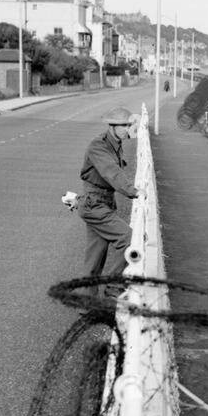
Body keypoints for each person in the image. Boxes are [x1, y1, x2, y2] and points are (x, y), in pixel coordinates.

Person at [77, 106, 138, 293]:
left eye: (129, 125)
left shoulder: (117, 144)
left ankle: (86, 303)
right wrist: (133, 191)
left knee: (95, 258)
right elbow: (111, 172)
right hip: (94, 204)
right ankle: (113, 285)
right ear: (113, 126)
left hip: (104, 202)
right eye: (125, 126)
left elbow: (116, 172)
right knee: (129, 238)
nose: (129, 129)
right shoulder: (99, 146)